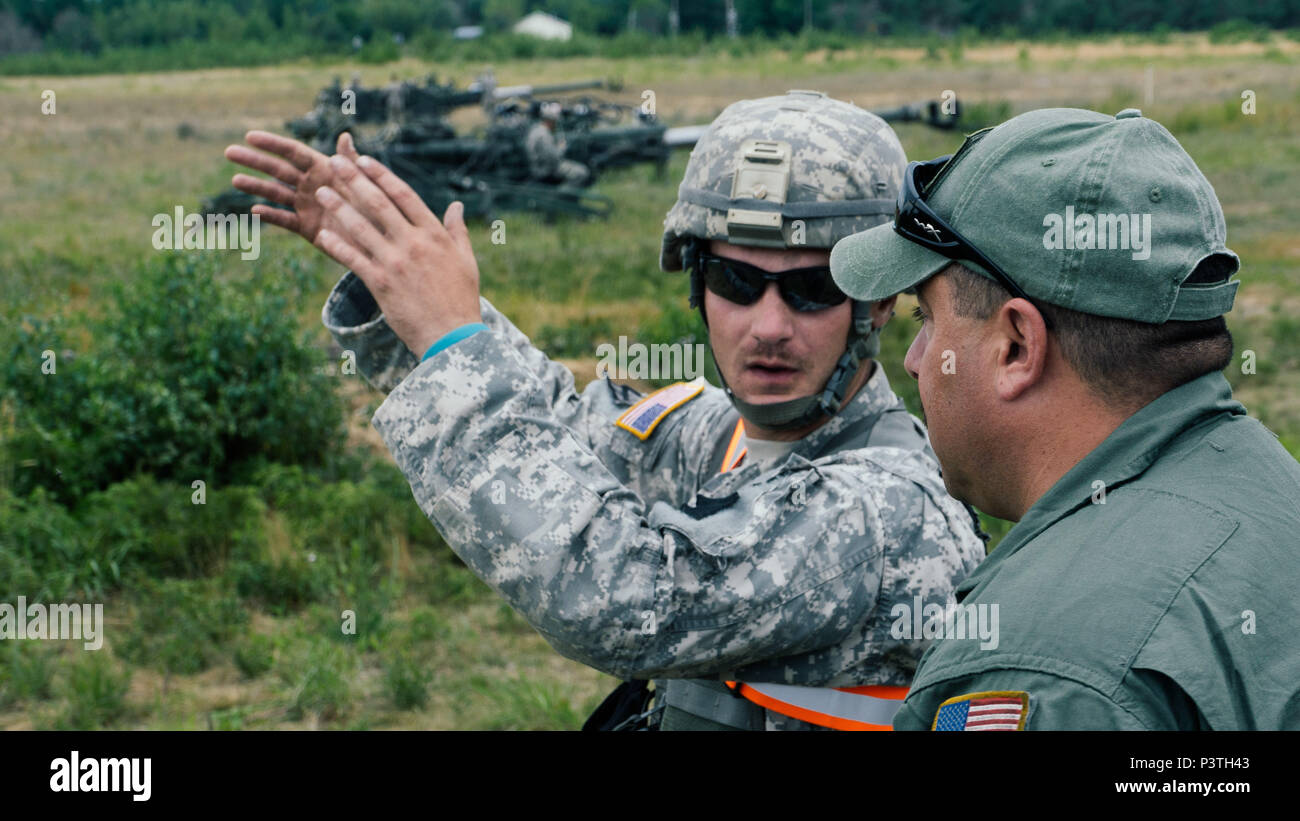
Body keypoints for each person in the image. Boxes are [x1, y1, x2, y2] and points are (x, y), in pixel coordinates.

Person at [223, 90, 986, 731]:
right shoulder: (713, 432)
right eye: (737, 282)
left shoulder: (888, 509)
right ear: (698, 283)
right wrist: (404, 293)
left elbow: (625, 594)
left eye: (814, 290)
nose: (769, 326)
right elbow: (557, 431)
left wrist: (455, 340)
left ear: (878, 302)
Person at [829, 106, 1300, 730]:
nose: (915, 361)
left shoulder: (1037, 669)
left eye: (926, 319)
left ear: (1017, 346)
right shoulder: (1272, 489)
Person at [523, 102, 590, 187]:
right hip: (547, 169)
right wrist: (562, 147)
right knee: (582, 172)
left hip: (539, 166)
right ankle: (561, 196)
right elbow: (554, 157)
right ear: (550, 121)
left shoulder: (535, 130)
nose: (555, 124)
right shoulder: (544, 134)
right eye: (555, 121)